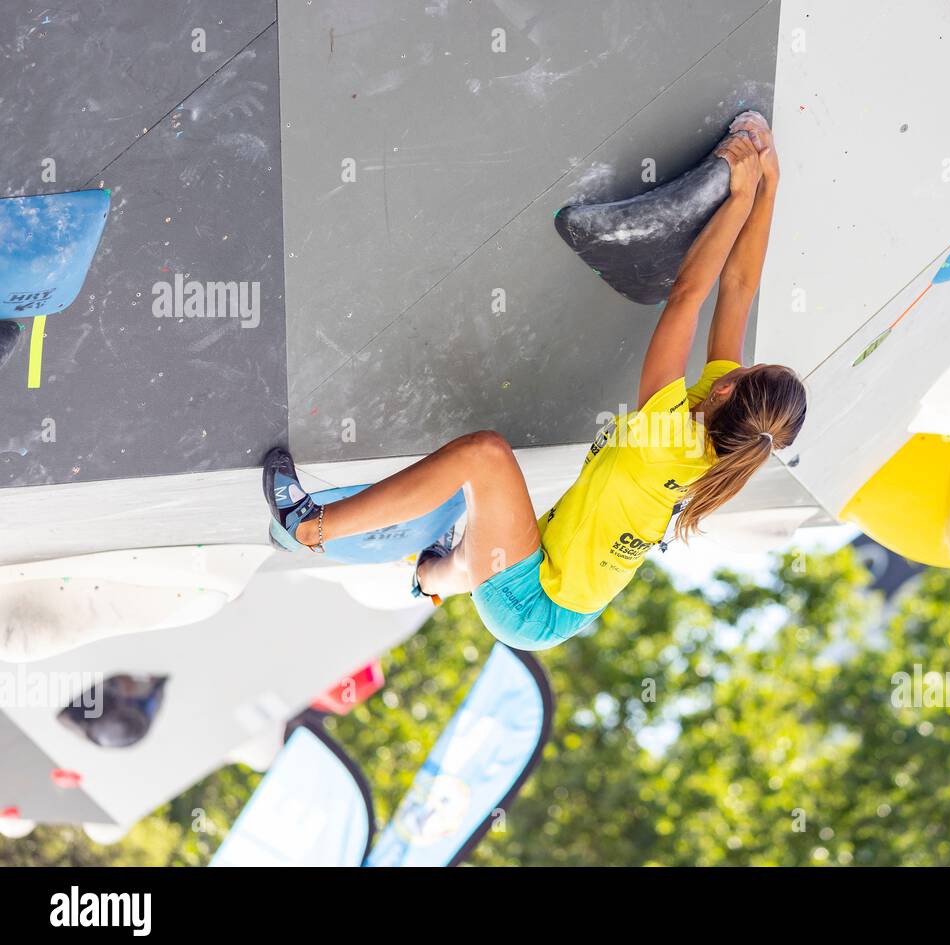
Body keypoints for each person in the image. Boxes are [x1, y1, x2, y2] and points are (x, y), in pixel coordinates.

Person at [264, 112, 806, 651]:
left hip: (532, 602)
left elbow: (691, 292)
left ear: (729, 390)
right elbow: (737, 289)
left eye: (750, 368)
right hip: (556, 579)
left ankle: (309, 528)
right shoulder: (728, 435)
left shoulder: (666, 438)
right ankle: (430, 580)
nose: (738, 362)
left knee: (485, 457)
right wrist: (769, 185)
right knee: (478, 543)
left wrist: (740, 197)